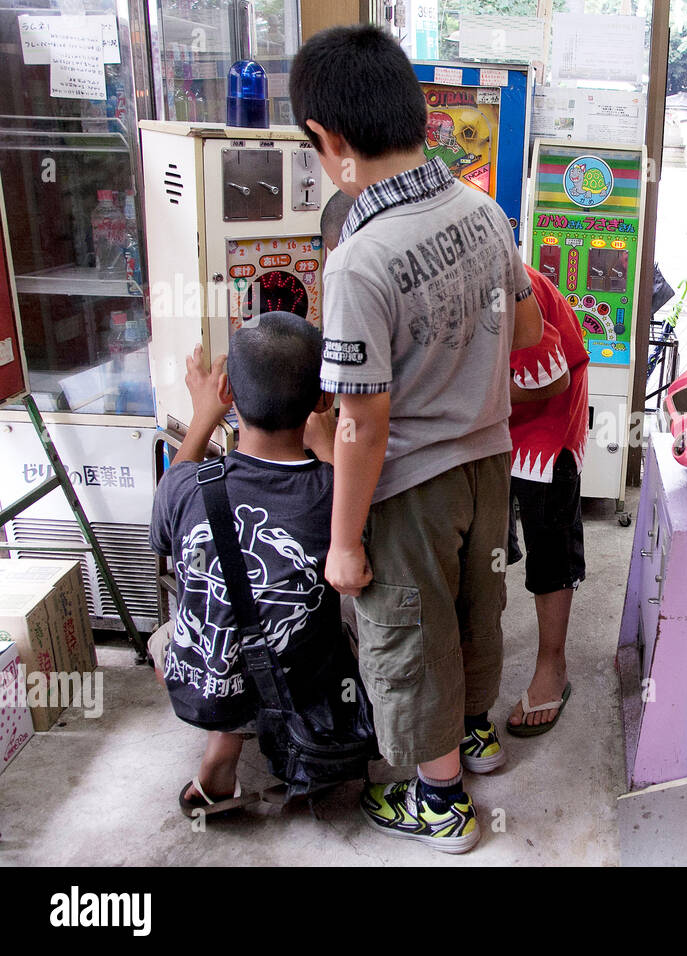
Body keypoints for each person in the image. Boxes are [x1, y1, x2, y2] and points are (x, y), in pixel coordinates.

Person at [290, 25, 543, 854]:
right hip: (490, 460)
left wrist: (343, 544)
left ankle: (439, 802)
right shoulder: (482, 209)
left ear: (329, 141)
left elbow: (362, 423)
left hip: (413, 486)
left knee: (412, 631)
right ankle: (475, 736)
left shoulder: (358, 260)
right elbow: (530, 327)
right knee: (477, 606)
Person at [149, 312, 343, 819]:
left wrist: (203, 417)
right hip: (301, 681)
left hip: (202, 676)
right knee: (342, 600)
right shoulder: (333, 491)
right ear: (324, 399)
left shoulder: (190, 484)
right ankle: (305, 743)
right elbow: (365, 534)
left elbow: (163, 535)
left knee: (168, 631)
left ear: (229, 394)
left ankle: (222, 749)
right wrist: (327, 446)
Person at [505, 265, 589, 735]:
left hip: (547, 424)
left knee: (550, 541)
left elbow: (551, 378)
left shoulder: (507, 284)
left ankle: (552, 666)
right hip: (487, 422)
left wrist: (472, 395)